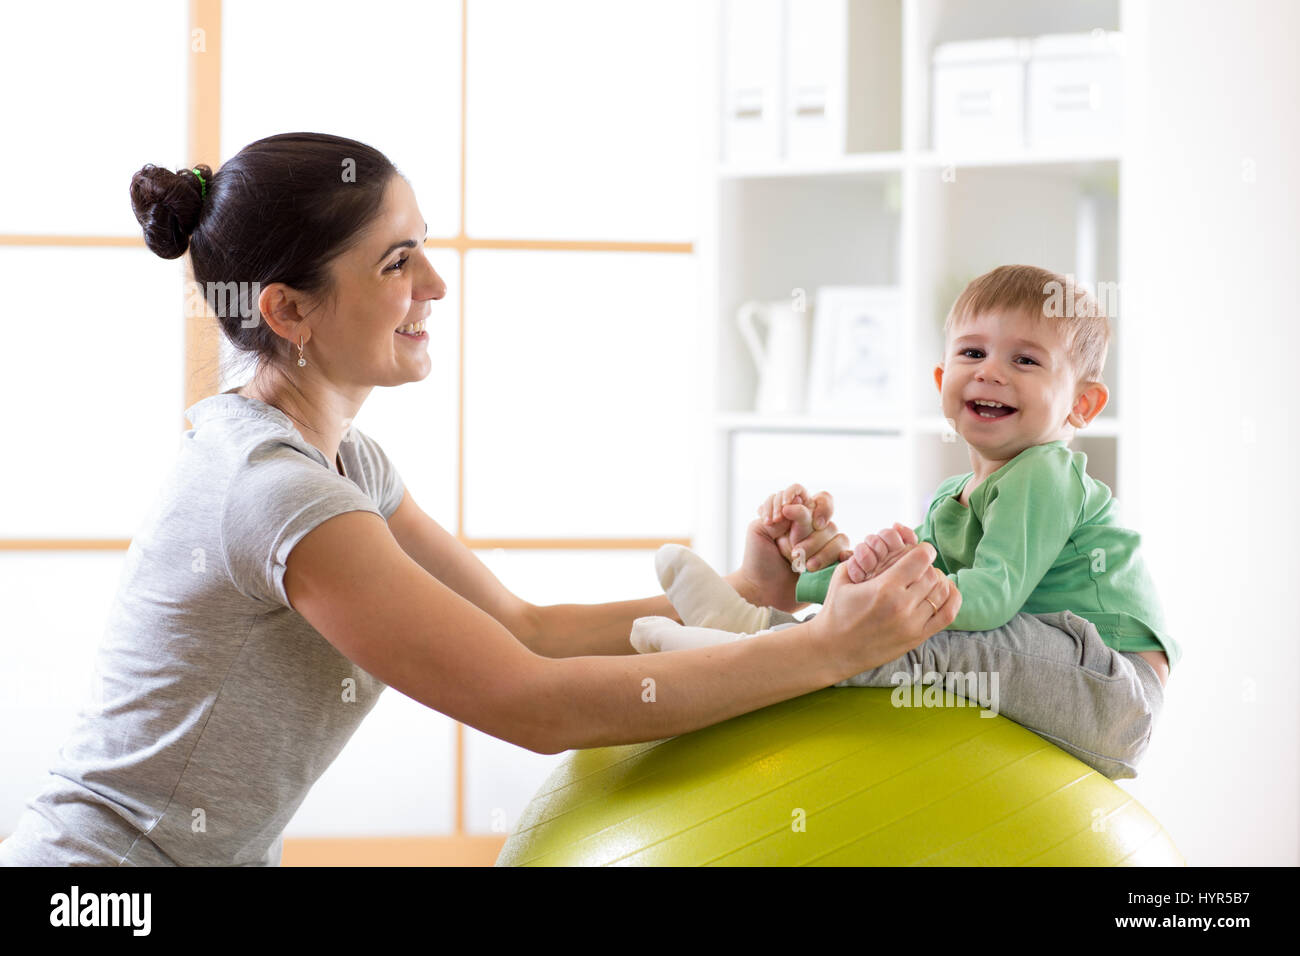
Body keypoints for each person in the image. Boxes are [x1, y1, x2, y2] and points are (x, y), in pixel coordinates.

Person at [0, 132, 959, 866]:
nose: (436, 283)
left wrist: (757, 595)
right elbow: (531, 702)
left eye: (424, 247)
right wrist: (828, 651)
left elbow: (524, 628)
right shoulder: (274, 491)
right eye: (395, 263)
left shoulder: (345, 465)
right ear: (288, 311)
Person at [631, 264, 1179, 780]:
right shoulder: (953, 498)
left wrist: (883, 598)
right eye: (973, 352)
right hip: (1063, 665)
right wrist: (813, 571)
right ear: (943, 378)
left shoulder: (1046, 474)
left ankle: (747, 643)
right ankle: (753, 625)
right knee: (900, 621)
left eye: (1025, 361)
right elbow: (886, 589)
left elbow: (989, 599)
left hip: (1113, 690)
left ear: (1082, 405)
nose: (990, 371)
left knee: (922, 635)